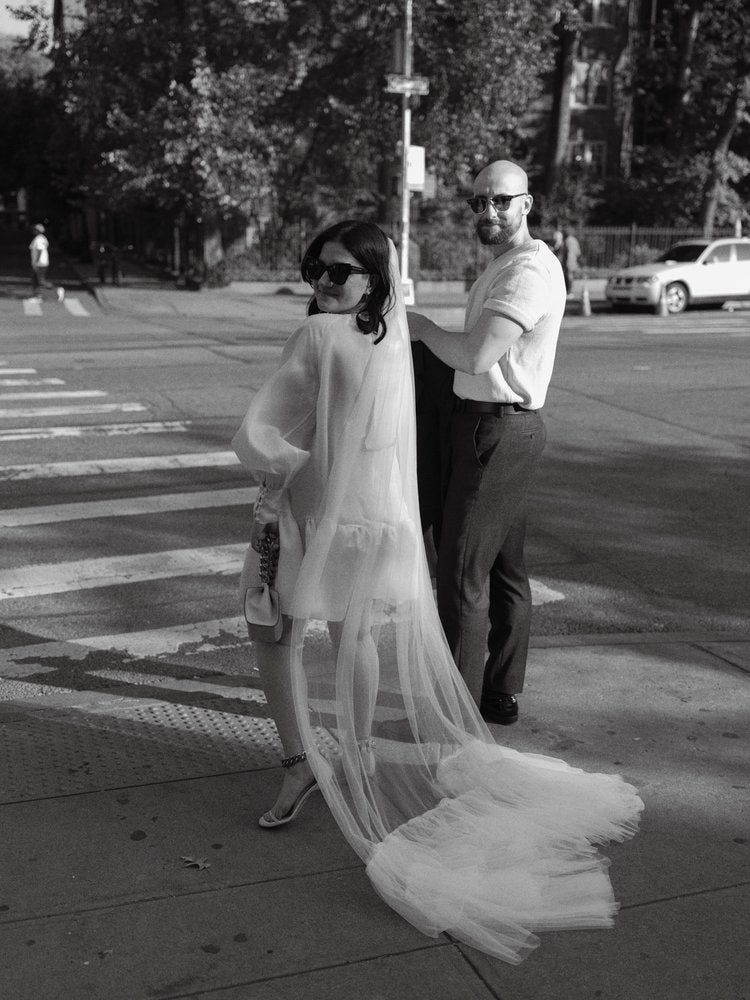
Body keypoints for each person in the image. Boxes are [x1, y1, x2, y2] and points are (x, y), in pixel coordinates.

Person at [231, 218, 642, 964]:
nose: (322, 282)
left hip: (311, 512)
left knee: (276, 633)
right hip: (375, 517)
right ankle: (357, 755)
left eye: (338, 272)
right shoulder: (393, 333)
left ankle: (301, 763)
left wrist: (277, 466)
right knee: (355, 632)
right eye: (315, 268)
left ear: (373, 278)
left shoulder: (317, 335)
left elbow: (261, 428)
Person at [407, 160, 565, 725]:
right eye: (479, 202)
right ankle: (499, 693)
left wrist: (421, 328)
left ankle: (454, 715)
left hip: (496, 432)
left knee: (460, 576)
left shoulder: (527, 272)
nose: (489, 211)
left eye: (501, 200)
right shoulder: (508, 265)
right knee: (502, 570)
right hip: (498, 428)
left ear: (527, 203)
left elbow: (475, 356)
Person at [29, 223, 64, 302]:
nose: (33, 230)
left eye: (35, 229)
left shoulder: (39, 239)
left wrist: (36, 262)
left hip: (40, 263)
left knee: (40, 280)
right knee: (35, 279)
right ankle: (38, 296)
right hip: (42, 262)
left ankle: (57, 289)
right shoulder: (42, 238)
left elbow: (39, 250)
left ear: (38, 231)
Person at [561, 225, 582, 294]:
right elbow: (578, 252)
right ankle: (570, 291)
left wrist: (566, 262)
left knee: (569, 276)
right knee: (571, 276)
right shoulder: (574, 240)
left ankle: (569, 291)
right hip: (574, 261)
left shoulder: (567, 240)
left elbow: (568, 252)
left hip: (569, 261)